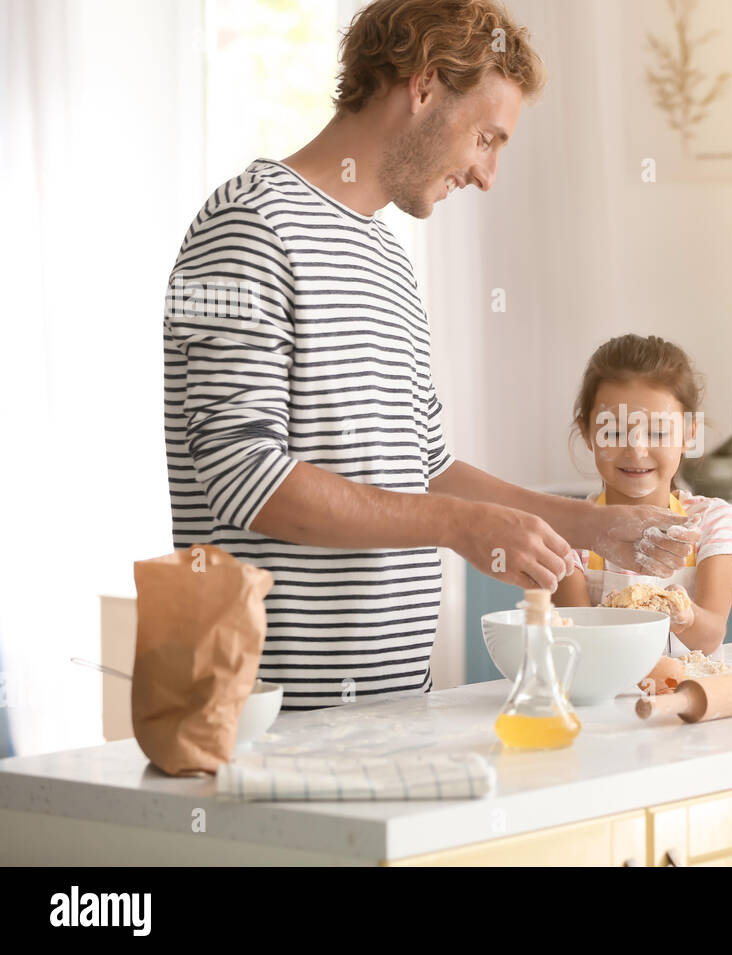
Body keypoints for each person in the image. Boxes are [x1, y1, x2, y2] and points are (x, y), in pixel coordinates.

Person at [162, 0, 698, 710]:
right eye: (486, 137)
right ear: (424, 86)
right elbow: (242, 477)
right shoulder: (247, 228)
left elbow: (431, 469)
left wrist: (590, 524)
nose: (488, 175)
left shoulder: (387, 256)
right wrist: (459, 527)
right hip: (267, 715)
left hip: (392, 703)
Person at [554, 335, 732, 658]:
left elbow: (711, 636)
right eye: (614, 432)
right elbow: (580, 644)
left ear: (689, 434)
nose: (637, 450)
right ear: (588, 433)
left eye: (658, 432)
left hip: (690, 700)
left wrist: (685, 616)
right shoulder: (569, 534)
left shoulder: (713, 522)